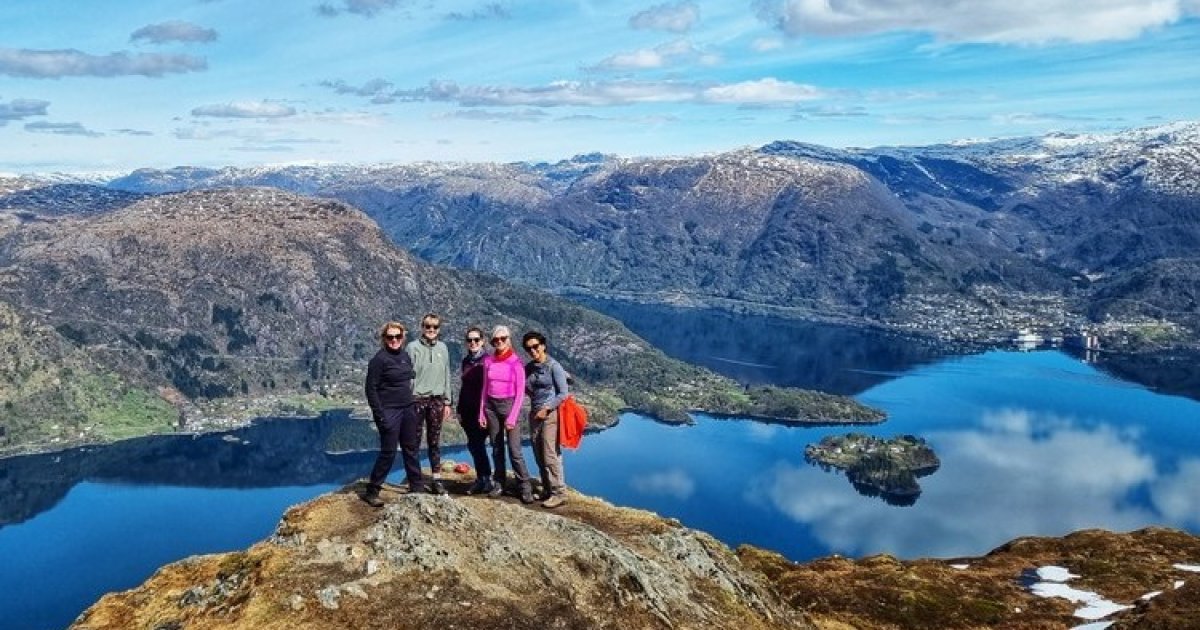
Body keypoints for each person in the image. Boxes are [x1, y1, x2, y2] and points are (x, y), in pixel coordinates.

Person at [361, 322, 420, 507]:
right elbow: (371, 390)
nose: (394, 340)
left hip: (408, 409)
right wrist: (380, 415)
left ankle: (417, 486)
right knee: (389, 452)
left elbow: (408, 381)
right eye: (390, 337)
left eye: (398, 337)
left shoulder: (404, 356)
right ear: (384, 339)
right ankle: (372, 491)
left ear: (403, 338)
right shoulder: (379, 360)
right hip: (389, 411)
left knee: (411, 448)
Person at [478, 325, 534, 503]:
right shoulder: (488, 361)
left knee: (514, 450)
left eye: (503, 339)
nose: (499, 342)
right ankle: (499, 483)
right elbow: (485, 388)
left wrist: (512, 416)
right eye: (496, 340)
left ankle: (525, 487)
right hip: (491, 407)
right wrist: (482, 412)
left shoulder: (516, 363)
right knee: (496, 448)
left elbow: (520, 393)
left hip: (510, 406)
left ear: (509, 339)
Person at [522, 330, 571, 509]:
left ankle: (559, 493)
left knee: (550, 453)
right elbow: (524, 385)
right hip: (535, 414)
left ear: (543, 346)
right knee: (538, 453)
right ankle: (548, 489)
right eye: (529, 349)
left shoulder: (554, 366)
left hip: (550, 415)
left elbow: (563, 394)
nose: (533, 351)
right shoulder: (530, 367)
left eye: (535, 346)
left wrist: (547, 408)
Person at [406, 312, 452, 495]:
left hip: (437, 400)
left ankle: (437, 479)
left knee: (434, 441)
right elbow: (407, 376)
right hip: (416, 400)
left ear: (439, 329)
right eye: (427, 326)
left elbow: (446, 374)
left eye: (435, 327)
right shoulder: (412, 348)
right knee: (414, 441)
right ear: (422, 327)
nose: (431, 330)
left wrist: (448, 401)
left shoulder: (443, 348)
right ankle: (415, 481)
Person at [456, 325, 493, 495]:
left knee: (478, 444)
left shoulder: (488, 361)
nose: (473, 343)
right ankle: (482, 478)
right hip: (467, 410)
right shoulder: (466, 361)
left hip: (482, 411)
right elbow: (464, 387)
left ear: (482, 341)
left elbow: (488, 388)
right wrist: (459, 408)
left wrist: (484, 411)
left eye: (476, 340)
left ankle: (486, 480)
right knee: (473, 445)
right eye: (469, 340)